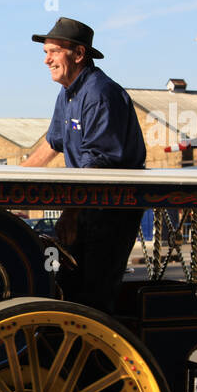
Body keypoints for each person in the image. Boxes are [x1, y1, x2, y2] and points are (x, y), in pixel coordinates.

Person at [22, 17, 145, 314]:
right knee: (69, 286)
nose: (47, 60)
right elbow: (52, 143)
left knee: (93, 294)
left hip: (108, 210)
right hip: (86, 205)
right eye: (45, 52)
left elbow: (98, 164)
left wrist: (70, 213)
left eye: (54, 51)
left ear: (78, 55)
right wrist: (12, 186)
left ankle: (97, 355)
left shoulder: (100, 93)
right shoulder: (68, 94)